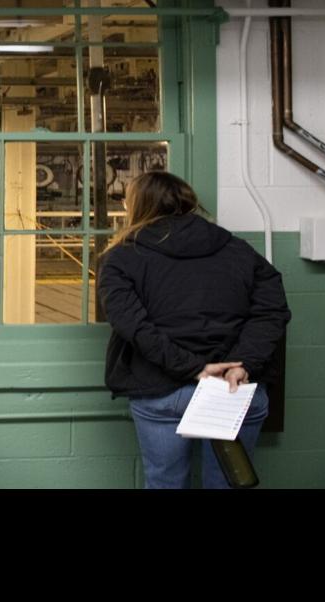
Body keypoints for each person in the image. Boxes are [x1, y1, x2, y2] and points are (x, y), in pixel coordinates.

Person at [98, 171, 291, 489]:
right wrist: (242, 364)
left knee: (165, 483)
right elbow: (272, 312)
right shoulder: (239, 250)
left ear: (137, 206)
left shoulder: (120, 258)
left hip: (163, 390)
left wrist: (194, 369)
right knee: (228, 484)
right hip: (236, 387)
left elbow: (133, 325)